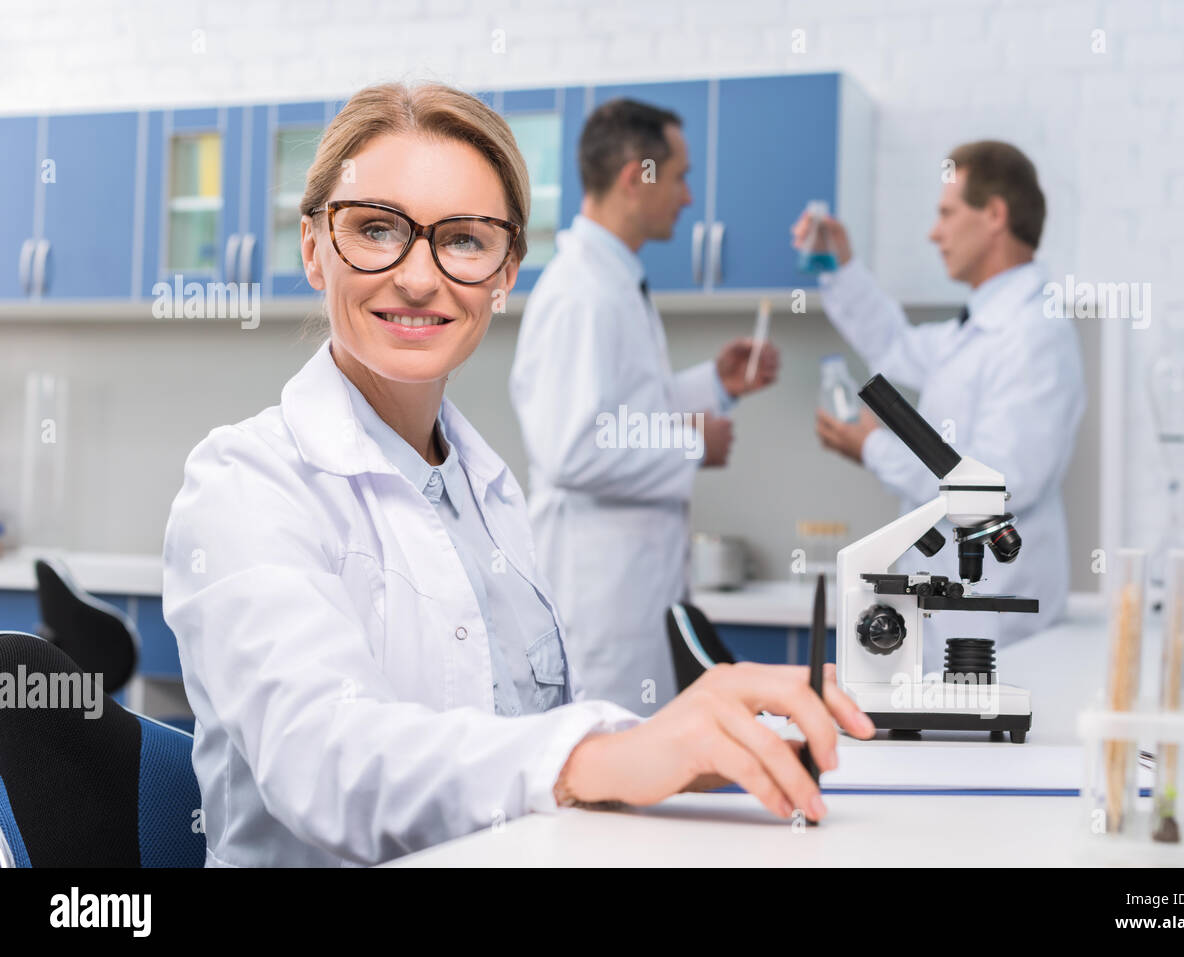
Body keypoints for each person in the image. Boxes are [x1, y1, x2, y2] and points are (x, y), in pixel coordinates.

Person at [162, 82, 869, 868]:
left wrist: (690, 749)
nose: (418, 277)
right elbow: (325, 758)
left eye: (464, 239)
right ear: (312, 249)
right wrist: (601, 756)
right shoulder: (244, 483)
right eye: (376, 229)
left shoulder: (485, 492)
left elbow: (519, 745)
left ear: (505, 274)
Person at [510, 99, 779, 716]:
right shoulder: (583, 295)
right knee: (610, 763)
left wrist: (715, 384)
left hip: (630, 597)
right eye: (680, 177)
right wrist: (693, 442)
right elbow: (573, 450)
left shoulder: (614, 283)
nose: (688, 197)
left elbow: (624, 411)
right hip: (598, 609)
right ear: (637, 177)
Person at [795, 141, 1085, 663]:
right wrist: (842, 265)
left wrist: (874, 449)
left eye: (947, 213)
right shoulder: (976, 329)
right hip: (952, 618)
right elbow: (894, 346)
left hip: (998, 629)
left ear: (994, 215)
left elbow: (996, 486)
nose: (934, 232)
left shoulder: (1033, 334)